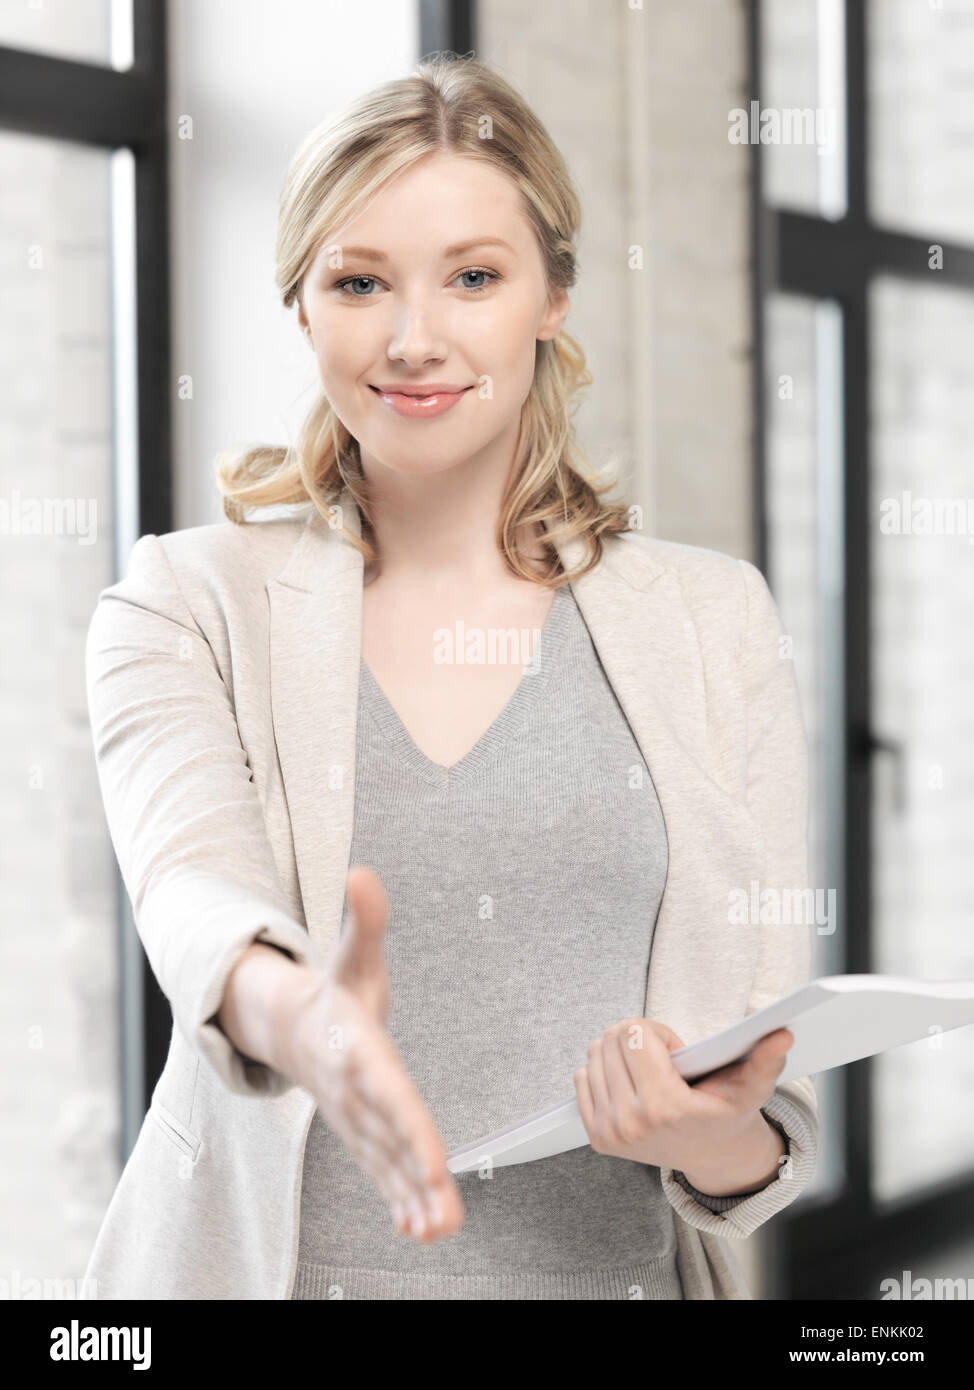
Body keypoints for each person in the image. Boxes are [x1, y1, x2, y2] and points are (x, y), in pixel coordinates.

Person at [82, 53, 819, 1301]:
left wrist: (703, 1133)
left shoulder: (713, 620)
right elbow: (191, 897)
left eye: (474, 276)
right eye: (359, 281)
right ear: (300, 307)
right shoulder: (183, 602)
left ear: (553, 295)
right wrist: (303, 1018)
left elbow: (765, 1106)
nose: (415, 339)